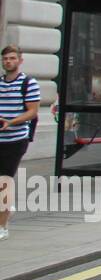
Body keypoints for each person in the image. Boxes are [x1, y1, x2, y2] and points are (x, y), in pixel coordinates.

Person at [0, 46, 41, 241]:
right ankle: (8, 208)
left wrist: (10, 122)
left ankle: (2, 226)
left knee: (4, 182)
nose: (8, 61)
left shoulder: (28, 83)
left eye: (12, 58)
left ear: (20, 61)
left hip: (16, 140)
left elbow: (32, 112)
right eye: (5, 59)